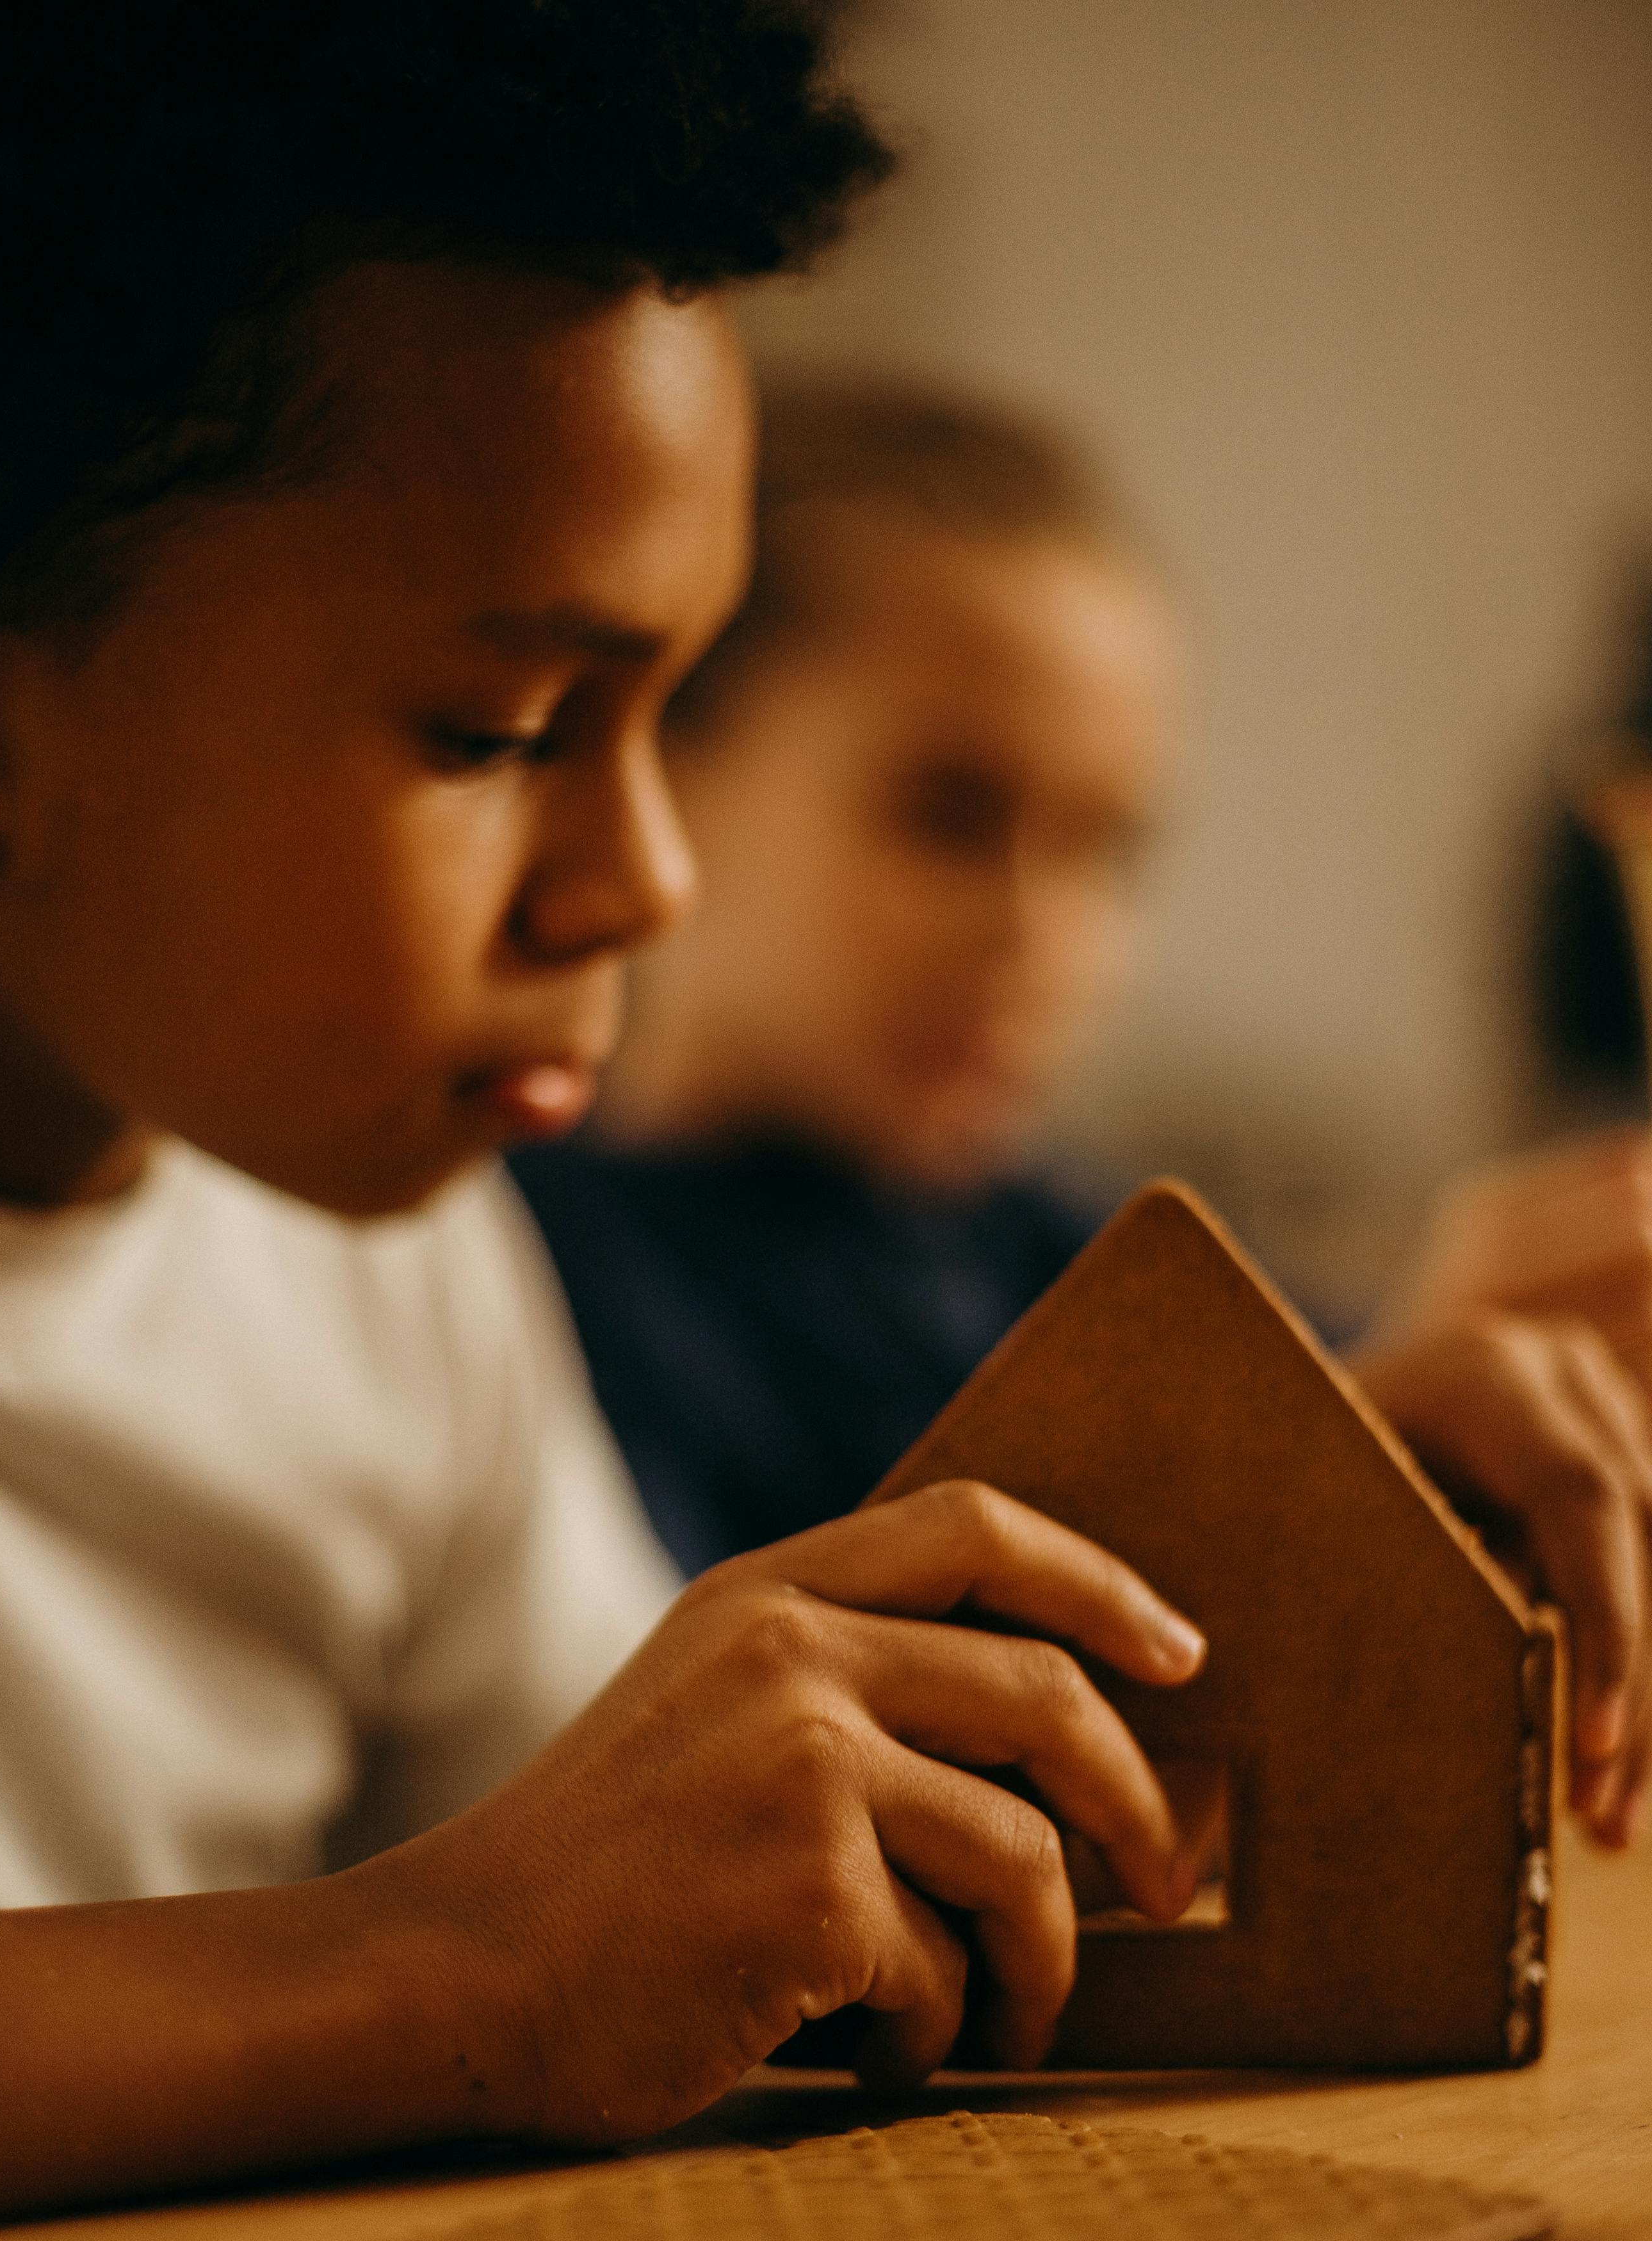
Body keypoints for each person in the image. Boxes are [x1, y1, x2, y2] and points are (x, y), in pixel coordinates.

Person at [0, 8, 1645, 2237]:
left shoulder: (382, 1253)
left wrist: (1291, 1546)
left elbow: (669, 1885)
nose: (642, 877)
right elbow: (510, 1939)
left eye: (660, 707)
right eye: (498, 725)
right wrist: (432, 1957)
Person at [512, 373, 1652, 1847]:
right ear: (669, 759)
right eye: (949, 812)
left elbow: (1374, 1381)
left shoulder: (1056, 1235)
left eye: (1106, 845)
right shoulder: (513, 1276)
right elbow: (713, 1794)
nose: (1040, 931)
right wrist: (1304, 1493)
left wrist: (1444, 1426)